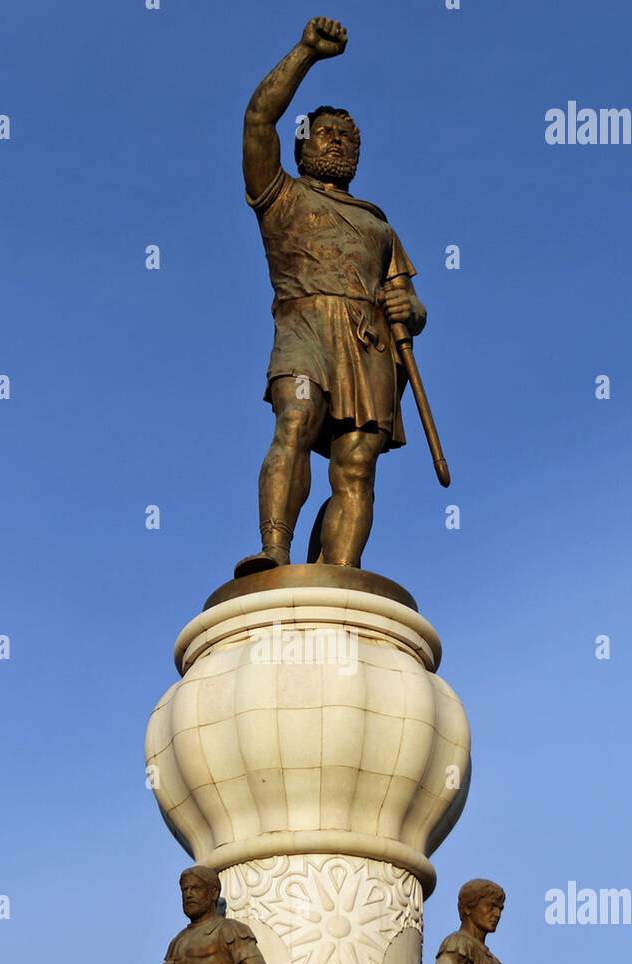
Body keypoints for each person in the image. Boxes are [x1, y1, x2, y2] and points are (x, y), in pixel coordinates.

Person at [235, 16, 428, 577]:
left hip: (368, 344)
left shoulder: (377, 224)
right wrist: (305, 52)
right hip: (305, 327)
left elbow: (408, 301)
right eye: (327, 133)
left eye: (349, 137)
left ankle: (340, 569)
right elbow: (258, 118)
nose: (340, 142)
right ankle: (274, 549)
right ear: (302, 146)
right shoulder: (279, 196)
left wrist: (409, 310)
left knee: (357, 464)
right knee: (295, 416)